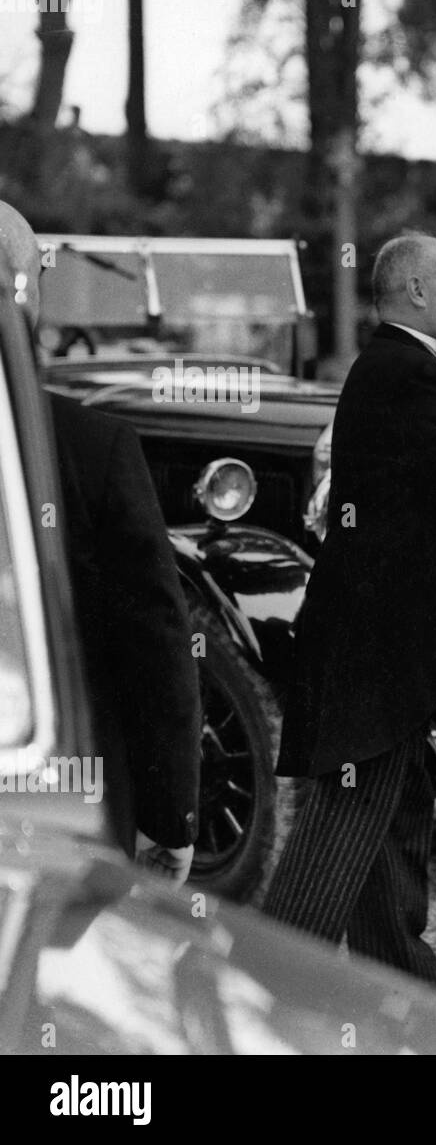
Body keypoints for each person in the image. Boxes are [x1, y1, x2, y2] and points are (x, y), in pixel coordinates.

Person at [265, 233, 436, 1001]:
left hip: (376, 637)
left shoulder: (391, 366)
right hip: (377, 647)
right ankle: (266, 983)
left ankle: (399, 976)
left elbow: (426, 494)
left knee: (400, 806)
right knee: (349, 815)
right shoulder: (411, 372)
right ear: (416, 291)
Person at [0, 201, 201, 881]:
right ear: (27, 296)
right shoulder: (95, 448)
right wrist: (171, 813)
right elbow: (154, 640)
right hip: (65, 791)